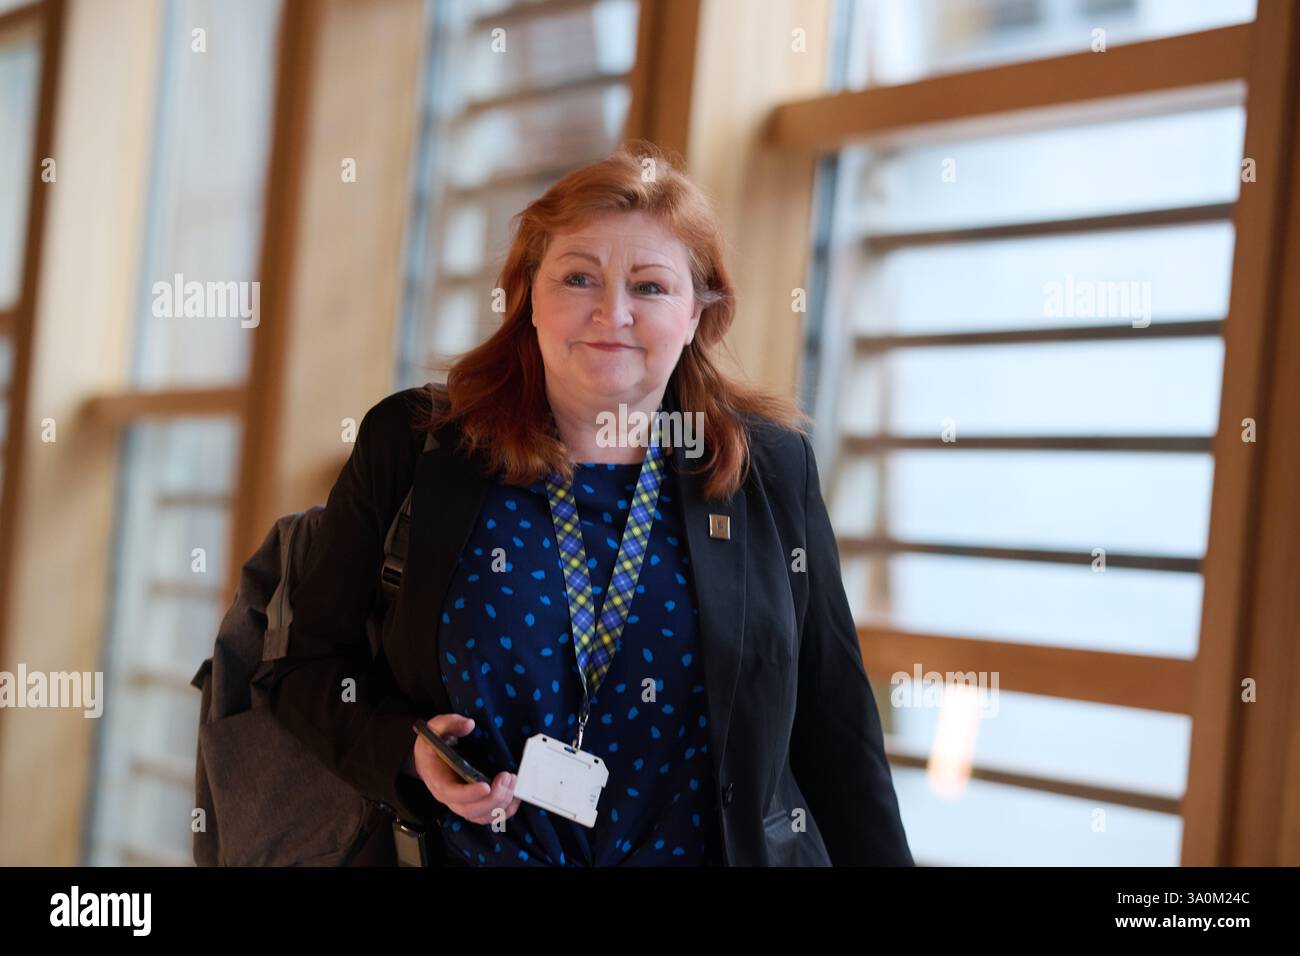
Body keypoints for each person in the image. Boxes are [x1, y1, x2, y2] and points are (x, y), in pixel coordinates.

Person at [265, 140, 913, 867]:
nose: (613, 313)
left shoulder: (768, 470)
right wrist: (407, 755)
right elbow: (304, 671)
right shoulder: (418, 446)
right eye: (579, 277)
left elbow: (837, 731)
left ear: (699, 312)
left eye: (650, 287)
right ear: (528, 294)